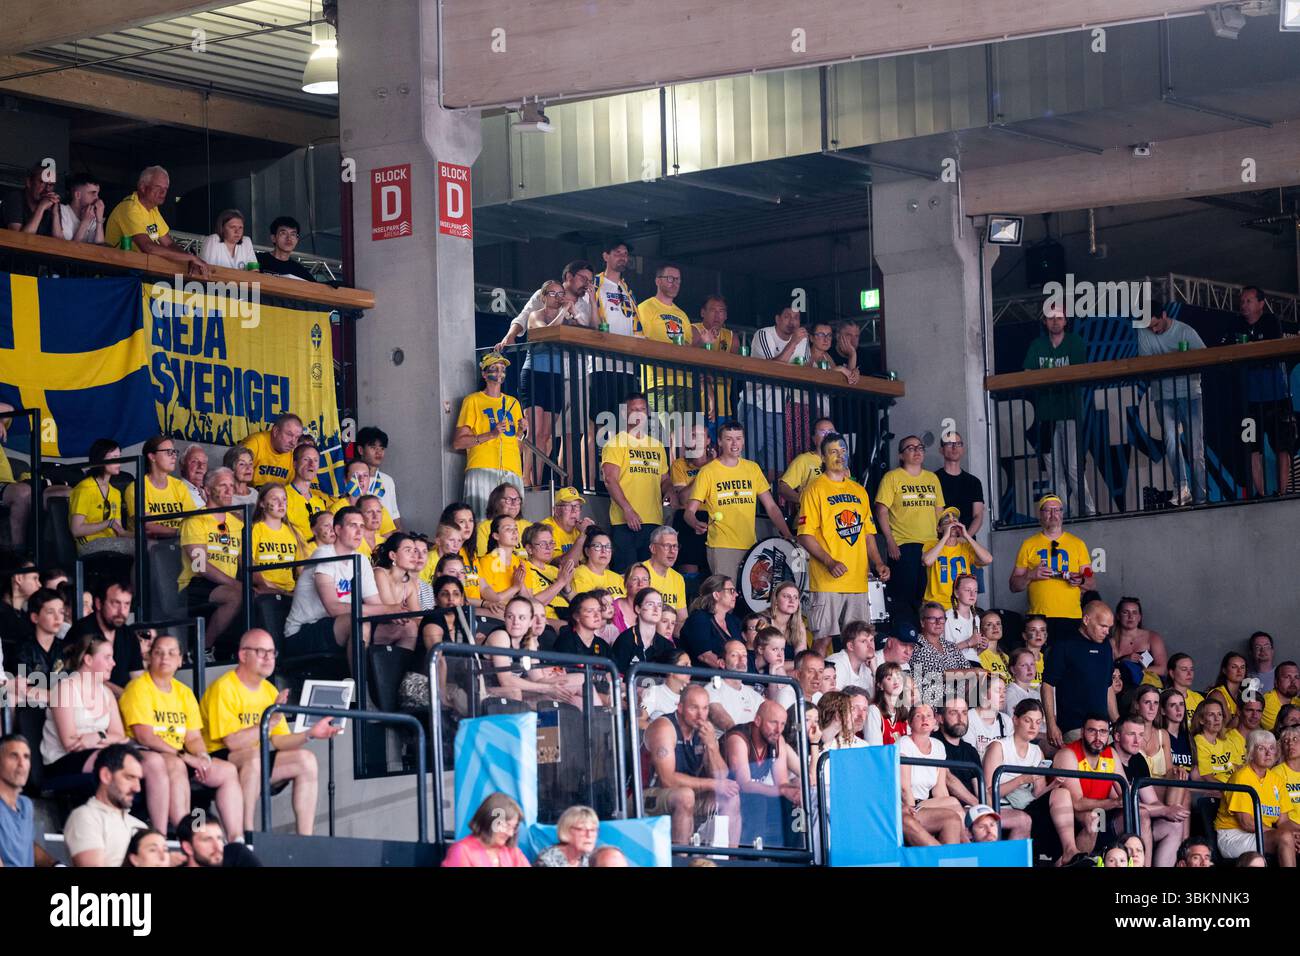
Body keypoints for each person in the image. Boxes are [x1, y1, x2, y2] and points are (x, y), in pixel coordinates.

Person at [201, 628, 342, 835]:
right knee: (254, 757)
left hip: (255, 759)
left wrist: (310, 733)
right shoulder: (224, 688)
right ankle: (246, 833)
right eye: (261, 652)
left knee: (306, 760)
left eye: (272, 652)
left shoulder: (269, 690)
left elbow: (279, 741)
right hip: (218, 758)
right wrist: (269, 721)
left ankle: (305, 838)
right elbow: (232, 742)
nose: (268, 658)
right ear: (243, 655)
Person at [119, 634, 243, 835]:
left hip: (177, 754)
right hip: (145, 754)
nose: (164, 658)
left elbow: (193, 737)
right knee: (176, 765)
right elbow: (145, 737)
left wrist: (202, 756)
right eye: (158, 652)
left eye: (171, 653)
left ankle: (236, 839)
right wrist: (185, 757)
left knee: (227, 770)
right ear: (149, 658)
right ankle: (185, 835)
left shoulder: (184, 693)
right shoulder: (138, 688)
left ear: (180, 660)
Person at [797, 432, 890, 647]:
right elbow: (804, 535)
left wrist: (878, 563)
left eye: (843, 451)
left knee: (860, 642)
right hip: (827, 581)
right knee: (823, 641)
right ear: (822, 457)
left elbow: (868, 533)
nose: (840, 456)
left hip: (858, 581)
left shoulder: (859, 491)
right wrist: (829, 562)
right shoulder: (814, 489)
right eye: (833, 452)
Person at [685, 419, 793, 582]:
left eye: (738, 438)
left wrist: (787, 534)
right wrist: (694, 523)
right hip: (721, 547)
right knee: (725, 599)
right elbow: (689, 511)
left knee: (750, 600)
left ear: (743, 440)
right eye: (729, 439)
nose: (734, 443)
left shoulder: (753, 468)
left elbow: (771, 507)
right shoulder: (708, 471)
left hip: (751, 546)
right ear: (720, 442)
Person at [284, 507, 385, 669]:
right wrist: (388, 610)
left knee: (402, 629)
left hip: (335, 627)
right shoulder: (323, 554)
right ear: (337, 529)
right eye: (353, 525)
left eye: (362, 527)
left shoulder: (361, 560)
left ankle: (386, 690)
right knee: (359, 622)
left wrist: (394, 613)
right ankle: (360, 690)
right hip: (302, 632)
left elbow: (376, 604)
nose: (359, 532)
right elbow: (333, 608)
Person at [644, 684, 741, 845]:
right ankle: (682, 860)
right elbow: (667, 780)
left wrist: (711, 745)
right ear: (680, 707)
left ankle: (730, 860)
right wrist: (714, 784)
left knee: (731, 797)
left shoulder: (704, 730)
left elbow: (722, 777)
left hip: (689, 795)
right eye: (694, 708)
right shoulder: (664, 727)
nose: (700, 715)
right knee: (685, 795)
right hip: (648, 796)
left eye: (705, 709)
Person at [1023, 300, 1095, 515]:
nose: (1055, 322)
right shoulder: (1037, 344)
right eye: (1051, 318)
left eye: (1059, 317)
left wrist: (1049, 380)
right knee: (1054, 470)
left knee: (1073, 466)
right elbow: (1027, 373)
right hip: (1046, 415)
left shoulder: (1075, 342)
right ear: (1045, 321)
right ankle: (1062, 512)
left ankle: (1087, 510)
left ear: (1066, 321)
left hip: (1070, 412)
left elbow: (1078, 373)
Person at [1222, 286, 1294, 496]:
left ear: (1261, 303)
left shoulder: (1271, 321)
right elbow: (1223, 348)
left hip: (1276, 397)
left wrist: (1248, 351)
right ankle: (1261, 495)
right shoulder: (1235, 323)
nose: (1244, 305)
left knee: (1283, 446)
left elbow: (1271, 349)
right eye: (1242, 301)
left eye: (1248, 301)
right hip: (1248, 401)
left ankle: (1282, 492)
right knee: (1251, 448)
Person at [1137, 300, 1207, 505]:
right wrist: (1174, 360)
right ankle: (1182, 488)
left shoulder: (1186, 332)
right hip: (1163, 395)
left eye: (1156, 325)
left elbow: (1207, 357)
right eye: (1150, 327)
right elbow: (1146, 365)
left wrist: (1170, 362)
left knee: (1196, 447)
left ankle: (1201, 495)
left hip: (1190, 394)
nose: (1153, 330)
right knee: (1170, 443)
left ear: (1165, 315)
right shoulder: (1143, 331)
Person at [875, 435, 946, 626]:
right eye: (911, 448)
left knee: (928, 596)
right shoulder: (892, 477)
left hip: (930, 546)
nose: (917, 451)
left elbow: (939, 511)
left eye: (920, 447)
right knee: (904, 600)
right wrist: (889, 541)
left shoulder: (932, 478)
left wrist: (943, 539)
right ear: (901, 454)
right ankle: (906, 640)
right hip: (904, 546)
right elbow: (881, 511)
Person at [1035, 714, 1125, 864]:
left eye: (1103, 732)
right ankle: (1074, 861)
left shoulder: (1111, 754)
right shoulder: (1068, 754)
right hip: (1059, 814)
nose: (1098, 737)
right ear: (1082, 732)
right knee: (1095, 817)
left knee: (1135, 815)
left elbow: (1125, 791)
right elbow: (1076, 803)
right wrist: (1115, 802)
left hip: (1096, 810)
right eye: (1092, 731)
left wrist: (1122, 801)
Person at [178, 467, 244, 659]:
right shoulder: (195, 520)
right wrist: (235, 584)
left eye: (231, 486)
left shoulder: (237, 523)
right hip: (195, 584)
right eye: (222, 485)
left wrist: (264, 585)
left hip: (225, 584)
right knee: (236, 596)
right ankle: (201, 650)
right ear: (207, 490)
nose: (229, 490)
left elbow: (245, 561)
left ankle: (235, 651)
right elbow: (200, 566)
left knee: (257, 597)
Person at [1009, 494, 1092, 646]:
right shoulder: (1028, 544)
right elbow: (1014, 585)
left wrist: (1081, 580)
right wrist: (1031, 575)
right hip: (1038, 618)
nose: (1053, 514)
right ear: (1040, 514)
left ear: (1062, 513)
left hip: (1071, 617)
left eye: (1057, 510)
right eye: (1048, 510)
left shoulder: (1078, 544)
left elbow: (1092, 582)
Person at [723, 699, 804, 847]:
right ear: (758, 720)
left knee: (797, 799)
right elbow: (744, 784)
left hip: (751, 792)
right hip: (726, 793)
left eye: (783, 724)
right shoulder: (738, 738)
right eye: (773, 722)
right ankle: (753, 859)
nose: (778, 729)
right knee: (758, 801)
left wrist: (793, 792)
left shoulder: (777, 739)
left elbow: (782, 782)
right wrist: (782, 790)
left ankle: (793, 856)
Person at [601, 393, 668, 570]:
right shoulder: (616, 443)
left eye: (642, 409)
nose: (639, 414)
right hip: (625, 523)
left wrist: (671, 492)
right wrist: (628, 509)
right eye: (634, 410)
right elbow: (609, 479)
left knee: (650, 580)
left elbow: (664, 479)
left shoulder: (658, 446)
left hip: (653, 522)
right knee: (626, 578)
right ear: (625, 414)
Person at [454, 352, 526, 518]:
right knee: (482, 520)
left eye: (502, 369)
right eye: (494, 368)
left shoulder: (513, 403)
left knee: (511, 523)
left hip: (512, 470)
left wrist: (521, 432)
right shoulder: (473, 401)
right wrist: (491, 434)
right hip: (482, 467)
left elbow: (518, 448)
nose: (499, 372)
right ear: (484, 374)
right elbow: (458, 442)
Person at [741, 304, 812, 472]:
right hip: (756, 404)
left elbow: (808, 369)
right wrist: (793, 342)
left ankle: (769, 497)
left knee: (777, 466)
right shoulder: (764, 334)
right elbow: (771, 368)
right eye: (787, 316)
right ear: (777, 319)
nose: (792, 322)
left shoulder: (803, 340)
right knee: (748, 458)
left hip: (781, 408)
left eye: (796, 318)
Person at [104, 165, 210, 276]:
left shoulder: (153, 210)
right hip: (118, 277)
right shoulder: (130, 207)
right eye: (158, 187)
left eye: (165, 189)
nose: (163, 192)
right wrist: (190, 257)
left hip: (139, 276)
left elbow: (168, 244)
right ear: (143, 187)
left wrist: (189, 260)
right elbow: (148, 247)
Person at [1114, 715, 1188, 868]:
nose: (1137, 741)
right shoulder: (1109, 755)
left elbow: (1152, 800)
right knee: (1142, 815)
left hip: (1136, 822)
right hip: (1109, 821)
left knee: (1174, 825)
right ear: (1117, 736)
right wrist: (1165, 810)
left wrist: (1169, 812)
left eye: (1140, 735)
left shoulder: (1138, 760)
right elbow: (1127, 803)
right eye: (1131, 734)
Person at [1042, 601, 1116, 748]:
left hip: (1103, 727)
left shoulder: (1106, 646)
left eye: (1109, 627)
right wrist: (1051, 724)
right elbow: (1048, 685)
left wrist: (1117, 721)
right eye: (1103, 626)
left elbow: (1108, 686)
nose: (1107, 632)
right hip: (1075, 727)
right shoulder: (1064, 645)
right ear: (1086, 620)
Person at [1214, 730, 1294, 866]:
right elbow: (1247, 823)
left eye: (1271, 748)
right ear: (1251, 753)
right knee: (1285, 837)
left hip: (1261, 833)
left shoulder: (1277, 780)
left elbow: (1284, 821)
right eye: (1261, 748)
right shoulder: (1242, 777)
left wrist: (1295, 833)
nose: (1268, 753)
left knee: (1289, 837)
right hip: (1233, 836)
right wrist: (1283, 834)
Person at [63, 744, 148, 867]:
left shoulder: (140, 826)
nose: (137, 788)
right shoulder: (86, 817)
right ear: (106, 776)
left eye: (139, 780)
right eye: (130, 777)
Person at [898, 704, 965, 844]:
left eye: (928, 715)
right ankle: (967, 846)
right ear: (909, 723)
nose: (924, 718)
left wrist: (946, 807)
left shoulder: (938, 746)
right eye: (918, 715)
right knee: (952, 806)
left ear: (935, 722)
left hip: (925, 803)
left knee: (952, 809)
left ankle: (961, 849)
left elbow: (939, 789)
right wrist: (913, 816)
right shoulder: (904, 743)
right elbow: (904, 789)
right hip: (906, 805)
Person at [983, 699, 1049, 841]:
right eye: (1028, 720)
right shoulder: (999, 747)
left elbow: (1038, 793)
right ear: (1015, 719)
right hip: (999, 806)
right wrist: (1021, 779)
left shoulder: (1037, 751)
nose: (1033, 726)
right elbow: (988, 792)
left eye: (1038, 722)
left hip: (1027, 805)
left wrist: (1055, 785)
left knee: (1060, 798)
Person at [64, 579, 141, 697]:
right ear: (99, 603)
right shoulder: (81, 631)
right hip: (88, 702)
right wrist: (125, 696)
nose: (122, 611)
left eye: (126, 604)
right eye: (116, 603)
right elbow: (81, 676)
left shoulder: (129, 635)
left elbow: (137, 678)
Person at [636, 263, 695, 415]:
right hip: (660, 382)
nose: (674, 283)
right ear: (658, 281)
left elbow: (689, 347)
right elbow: (642, 341)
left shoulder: (682, 314)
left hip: (686, 382)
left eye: (678, 280)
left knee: (691, 435)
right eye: (670, 278)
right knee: (669, 433)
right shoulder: (645, 308)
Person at [68, 438, 132, 557]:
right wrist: (108, 523)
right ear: (100, 459)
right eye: (114, 458)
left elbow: (120, 531)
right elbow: (76, 530)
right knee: (141, 548)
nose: (119, 462)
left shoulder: (115, 493)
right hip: (89, 544)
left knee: (149, 544)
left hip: (113, 542)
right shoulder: (85, 488)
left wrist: (143, 536)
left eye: (120, 457)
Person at [922, 509, 992, 616]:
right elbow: (927, 561)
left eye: (955, 521)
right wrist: (945, 536)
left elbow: (988, 559)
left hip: (962, 606)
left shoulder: (966, 547)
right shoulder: (931, 545)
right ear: (939, 529)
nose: (952, 524)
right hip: (937, 606)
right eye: (947, 522)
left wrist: (967, 536)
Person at [0, 734, 56, 867]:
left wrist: (56, 864)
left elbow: (28, 845)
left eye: (26, 757)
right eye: (13, 756)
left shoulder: (26, 805)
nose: (21, 764)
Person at [666, 424, 714, 577]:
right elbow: (684, 498)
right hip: (687, 517)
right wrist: (705, 471)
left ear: (708, 441)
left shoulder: (719, 465)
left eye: (700, 436)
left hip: (712, 518)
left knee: (712, 570)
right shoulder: (679, 465)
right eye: (693, 435)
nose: (696, 439)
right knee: (688, 570)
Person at [126, 435, 191, 541]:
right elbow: (148, 525)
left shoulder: (180, 486)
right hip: (148, 546)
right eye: (169, 452)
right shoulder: (136, 488)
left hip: (179, 541)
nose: (174, 456)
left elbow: (191, 518)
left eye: (175, 452)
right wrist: (180, 532)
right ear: (152, 457)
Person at [911, 601, 980, 698]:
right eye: (932, 619)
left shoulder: (950, 646)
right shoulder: (916, 645)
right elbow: (938, 675)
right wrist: (974, 672)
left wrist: (974, 674)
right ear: (922, 622)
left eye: (941, 618)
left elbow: (967, 669)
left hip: (957, 700)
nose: (938, 622)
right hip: (932, 701)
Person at [250, 483, 302, 601]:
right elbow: (247, 562)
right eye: (275, 499)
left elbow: (301, 569)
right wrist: (266, 586)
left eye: (284, 499)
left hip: (290, 591)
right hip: (264, 590)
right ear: (262, 503)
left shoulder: (294, 532)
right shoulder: (255, 528)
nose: (281, 503)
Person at [680, 575, 742, 669]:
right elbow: (705, 657)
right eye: (731, 591)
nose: (736, 594)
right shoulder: (699, 619)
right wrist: (733, 672)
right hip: (703, 679)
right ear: (716, 595)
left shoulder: (733, 621)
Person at [934, 696, 985, 809]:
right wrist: (979, 807)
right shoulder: (933, 743)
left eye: (964, 713)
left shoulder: (970, 750)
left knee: (1022, 819)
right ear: (940, 718)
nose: (960, 718)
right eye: (953, 713)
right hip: (945, 809)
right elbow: (948, 779)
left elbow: (981, 789)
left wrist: (991, 811)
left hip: (973, 808)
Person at [611, 587, 675, 676]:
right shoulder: (625, 640)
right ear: (638, 609)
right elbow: (616, 678)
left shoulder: (667, 645)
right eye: (650, 604)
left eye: (660, 605)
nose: (656, 609)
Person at [776, 416, 836, 509]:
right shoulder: (804, 460)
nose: (827, 435)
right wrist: (803, 499)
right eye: (822, 432)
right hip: (810, 516)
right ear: (814, 438)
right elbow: (783, 487)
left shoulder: (840, 461)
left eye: (831, 432)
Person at [707, 639, 767, 731]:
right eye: (734, 655)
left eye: (744, 655)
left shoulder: (753, 694)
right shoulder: (713, 687)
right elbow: (721, 718)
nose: (741, 659)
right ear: (722, 663)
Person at [520, 523, 573, 623]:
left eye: (551, 543)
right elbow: (531, 604)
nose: (549, 547)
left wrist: (567, 588)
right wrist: (560, 582)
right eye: (543, 544)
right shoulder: (524, 569)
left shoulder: (555, 570)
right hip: (544, 619)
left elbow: (574, 601)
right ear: (529, 549)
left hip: (568, 614)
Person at [935, 431, 986, 535]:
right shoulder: (933, 479)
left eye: (958, 444)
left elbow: (978, 516)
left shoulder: (973, 482)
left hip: (966, 543)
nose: (954, 447)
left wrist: (965, 538)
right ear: (941, 450)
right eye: (949, 443)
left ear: (963, 449)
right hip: (939, 543)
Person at [284, 443, 335, 544]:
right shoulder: (282, 495)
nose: (311, 464)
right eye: (306, 459)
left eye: (315, 460)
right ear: (294, 464)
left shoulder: (319, 502)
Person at [1111, 596, 1168, 684]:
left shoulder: (1152, 637)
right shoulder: (1111, 643)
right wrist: (1123, 661)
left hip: (1151, 687)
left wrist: (1136, 671)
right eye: (1125, 612)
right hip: (1123, 688)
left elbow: (1162, 669)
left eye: (1134, 613)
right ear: (1118, 616)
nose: (1130, 617)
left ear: (1139, 617)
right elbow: (1107, 670)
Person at [240, 413, 304, 488]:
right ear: (276, 431)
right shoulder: (255, 443)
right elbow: (233, 474)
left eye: (297, 437)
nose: (293, 442)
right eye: (289, 435)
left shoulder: (294, 454)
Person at [539, 487, 594, 573]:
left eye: (577, 506)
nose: (574, 511)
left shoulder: (580, 527)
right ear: (556, 511)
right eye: (568, 506)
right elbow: (562, 565)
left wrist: (593, 534)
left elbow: (599, 563)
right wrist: (583, 535)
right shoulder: (546, 530)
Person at [355, 426, 401, 528]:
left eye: (382, 448)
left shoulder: (388, 481)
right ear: (361, 450)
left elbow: (394, 515)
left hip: (386, 538)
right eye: (373, 447)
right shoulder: (353, 480)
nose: (378, 452)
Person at [551, 591, 615, 662]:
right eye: (590, 611)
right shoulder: (565, 642)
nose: (597, 615)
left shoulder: (603, 645)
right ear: (576, 616)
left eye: (599, 610)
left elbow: (613, 671)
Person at [1194, 697, 1244, 784]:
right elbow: (1207, 777)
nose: (1217, 719)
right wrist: (1227, 791)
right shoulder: (1199, 742)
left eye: (1219, 714)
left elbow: (1237, 767)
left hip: (1235, 785)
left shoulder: (1226, 740)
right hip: (1220, 789)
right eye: (1211, 714)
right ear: (1201, 720)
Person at [644, 525, 687, 626]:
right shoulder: (639, 573)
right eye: (667, 546)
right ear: (653, 548)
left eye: (675, 546)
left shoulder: (678, 578)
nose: (672, 551)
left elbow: (682, 619)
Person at [3, 162, 61, 236]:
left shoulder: (51, 204)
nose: (47, 189)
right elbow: (18, 240)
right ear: (29, 182)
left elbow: (59, 242)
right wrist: (41, 207)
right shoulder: (15, 198)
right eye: (42, 182)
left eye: (51, 184)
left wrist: (55, 213)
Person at [534, 805, 600, 867]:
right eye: (582, 829)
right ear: (566, 831)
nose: (589, 835)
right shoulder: (547, 861)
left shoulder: (594, 856)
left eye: (593, 830)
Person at [638, 650, 692, 726]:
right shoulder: (654, 692)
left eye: (690, 665)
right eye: (685, 665)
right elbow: (637, 721)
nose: (691, 669)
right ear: (670, 670)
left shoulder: (690, 694)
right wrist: (663, 733)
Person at [256, 216, 316, 280]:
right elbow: (245, 285)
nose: (289, 238)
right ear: (273, 238)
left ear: (297, 240)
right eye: (283, 233)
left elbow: (318, 288)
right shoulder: (257, 259)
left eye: (293, 234)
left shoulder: (300, 271)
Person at [865, 661, 912, 745]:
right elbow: (875, 750)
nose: (896, 681)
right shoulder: (873, 711)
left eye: (898, 677)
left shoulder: (905, 711)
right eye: (889, 678)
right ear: (880, 685)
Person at [965, 676, 1013, 758]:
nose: (1003, 696)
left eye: (1004, 691)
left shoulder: (1006, 720)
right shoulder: (969, 718)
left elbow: (1011, 753)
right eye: (998, 691)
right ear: (983, 694)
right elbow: (970, 755)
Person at [825, 621, 876, 695]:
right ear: (851, 646)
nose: (870, 645)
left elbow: (878, 701)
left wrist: (875, 672)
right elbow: (831, 702)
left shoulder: (870, 664)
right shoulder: (837, 665)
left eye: (871, 640)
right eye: (863, 641)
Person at [55, 171, 106, 244]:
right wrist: (85, 222)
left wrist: (99, 221)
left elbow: (99, 248)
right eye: (92, 193)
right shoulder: (62, 211)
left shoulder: (93, 216)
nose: (97, 198)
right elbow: (68, 250)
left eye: (97, 194)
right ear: (77, 195)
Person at [768, 581, 810, 659]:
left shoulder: (799, 625)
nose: (792, 601)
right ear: (776, 600)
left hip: (789, 670)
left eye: (795, 597)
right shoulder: (762, 620)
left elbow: (801, 659)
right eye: (786, 596)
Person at [1207, 651, 1249, 730]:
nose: (1239, 671)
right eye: (1234, 667)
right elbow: (1224, 729)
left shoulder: (1243, 694)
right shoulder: (1217, 694)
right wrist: (1242, 714)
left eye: (1242, 667)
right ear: (1224, 670)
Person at [1166, 653, 1205, 722]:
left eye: (1191, 669)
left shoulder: (1198, 698)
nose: (1189, 673)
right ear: (1172, 673)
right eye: (1184, 669)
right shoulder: (1164, 697)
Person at [1263, 661, 1299, 731]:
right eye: (1287, 677)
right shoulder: (1265, 703)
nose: (1293, 681)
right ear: (1276, 682)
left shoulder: (1297, 701)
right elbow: (1281, 732)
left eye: (1296, 677)